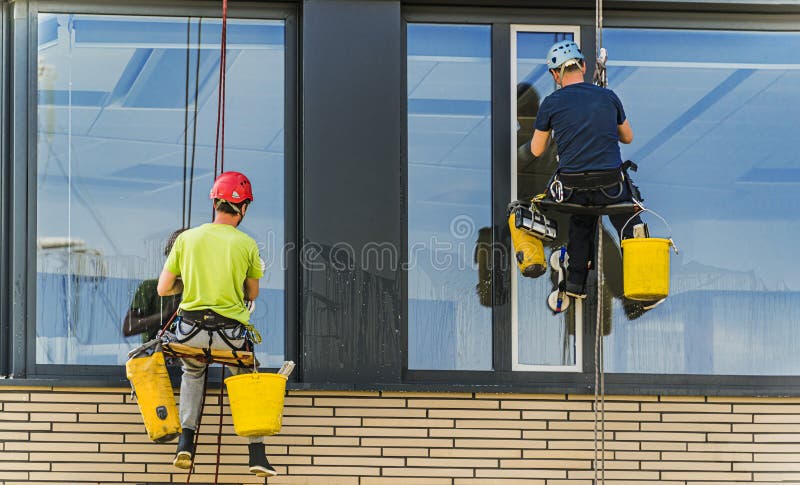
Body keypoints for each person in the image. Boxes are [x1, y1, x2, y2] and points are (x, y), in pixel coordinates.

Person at [156, 171, 274, 477]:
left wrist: (192, 284)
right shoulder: (247, 244)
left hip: (191, 331)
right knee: (247, 377)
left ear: (216, 203)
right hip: (229, 335)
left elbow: (163, 288)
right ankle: (256, 453)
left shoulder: (186, 239)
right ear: (243, 207)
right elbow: (252, 293)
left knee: (192, 371)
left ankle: (186, 442)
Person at [531, 39, 642, 299]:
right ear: (582, 65)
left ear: (554, 74)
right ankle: (640, 280)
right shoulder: (608, 97)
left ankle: (575, 285)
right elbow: (628, 137)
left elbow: (536, 150)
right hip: (611, 186)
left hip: (573, 188)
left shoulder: (551, 103)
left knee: (581, 219)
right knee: (627, 218)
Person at [122, 229, 185, 342]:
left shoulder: (200, 291)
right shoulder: (150, 287)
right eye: (176, 257)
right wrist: (165, 314)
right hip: (156, 356)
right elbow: (129, 327)